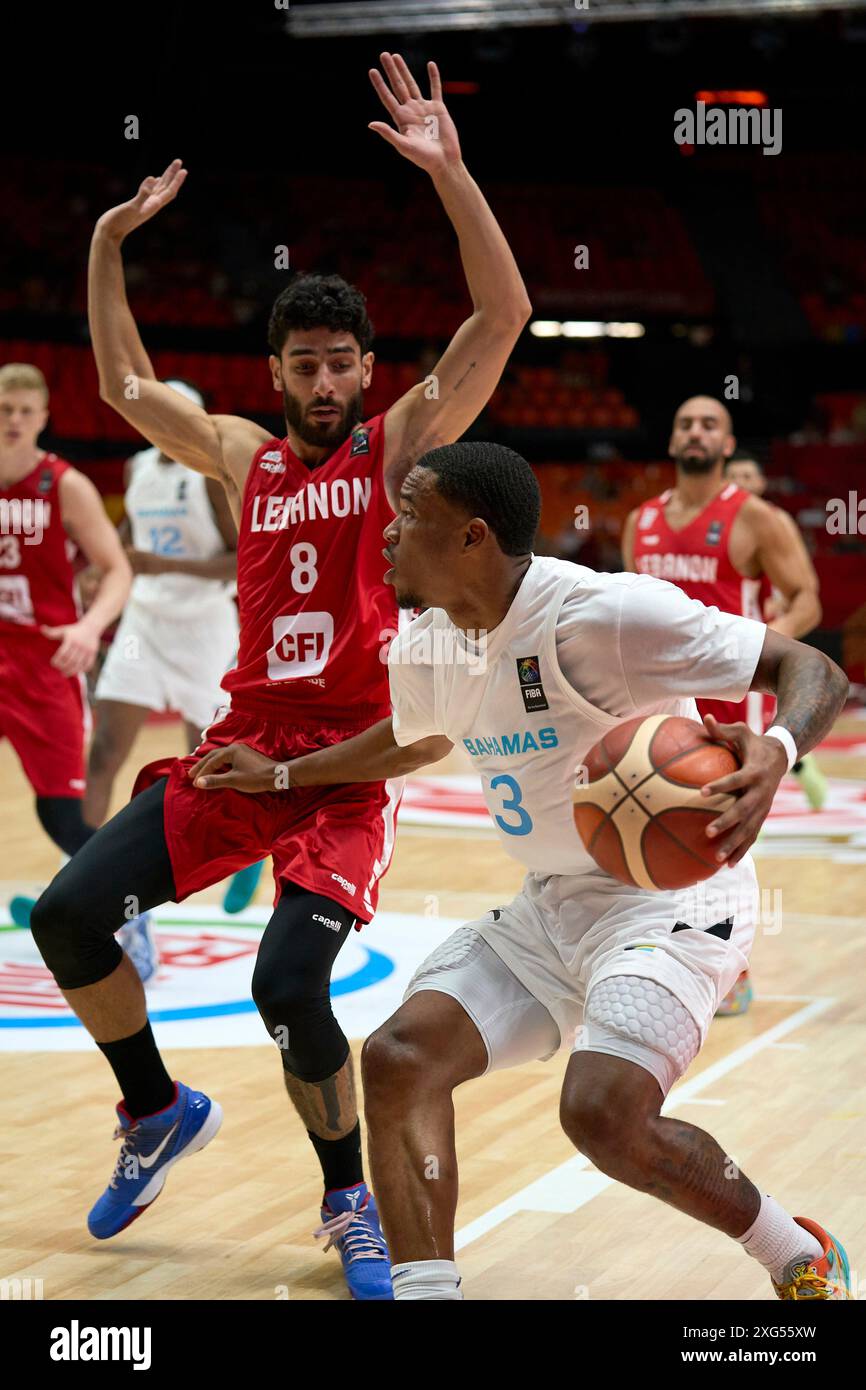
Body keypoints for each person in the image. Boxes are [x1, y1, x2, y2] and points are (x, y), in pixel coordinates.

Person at [29, 53, 531, 1301]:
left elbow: (502, 318)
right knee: (67, 916)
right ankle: (154, 1111)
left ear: (365, 369)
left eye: (339, 362)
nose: (320, 381)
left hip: (346, 765)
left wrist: (452, 176)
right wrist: (105, 242)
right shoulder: (241, 454)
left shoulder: (397, 447)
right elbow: (122, 384)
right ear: (275, 374)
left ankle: (346, 1192)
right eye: (301, 362)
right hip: (239, 750)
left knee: (286, 981)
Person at [191, 440, 851, 1302]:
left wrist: (779, 748)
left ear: (471, 538)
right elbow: (415, 738)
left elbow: (813, 668)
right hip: (549, 906)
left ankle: (794, 1252)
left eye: (409, 515)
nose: (386, 534)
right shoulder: (426, 640)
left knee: (602, 1111)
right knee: (398, 1056)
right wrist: (282, 771)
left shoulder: (601, 616)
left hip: (672, 901)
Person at [9, 379, 260, 970]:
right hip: (144, 622)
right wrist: (105, 573)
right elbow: (126, 545)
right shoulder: (136, 468)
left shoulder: (207, 472)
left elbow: (241, 558)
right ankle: (87, 892)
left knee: (208, 766)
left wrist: (161, 563)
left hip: (202, 625)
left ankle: (248, 849)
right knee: (102, 756)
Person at [621, 398, 824, 1015]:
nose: (696, 432)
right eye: (685, 422)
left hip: (727, 711)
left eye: (709, 423)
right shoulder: (641, 521)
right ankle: (648, 949)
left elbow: (806, 598)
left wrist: (759, 650)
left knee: (716, 837)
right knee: (644, 823)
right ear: (672, 439)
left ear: (728, 441)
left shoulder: (757, 518)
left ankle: (730, 966)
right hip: (655, 704)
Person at [0, 361, 141, 949]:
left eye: (24, 411)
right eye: (4, 410)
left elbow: (117, 569)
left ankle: (131, 916)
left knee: (63, 814)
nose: (13, 421)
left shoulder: (64, 484)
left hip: (45, 663)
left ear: (43, 419)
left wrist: (89, 627)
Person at [723, 449, 827, 812]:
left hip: (757, 633)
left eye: (747, 476)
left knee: (756, 729)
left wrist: (778, 621)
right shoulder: (719, 526)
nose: (740, 483)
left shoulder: (773, 521)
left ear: (761, 482)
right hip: (723, 635)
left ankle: (790, 772)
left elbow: (803, 592)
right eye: (732, 476)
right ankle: (799, 763)